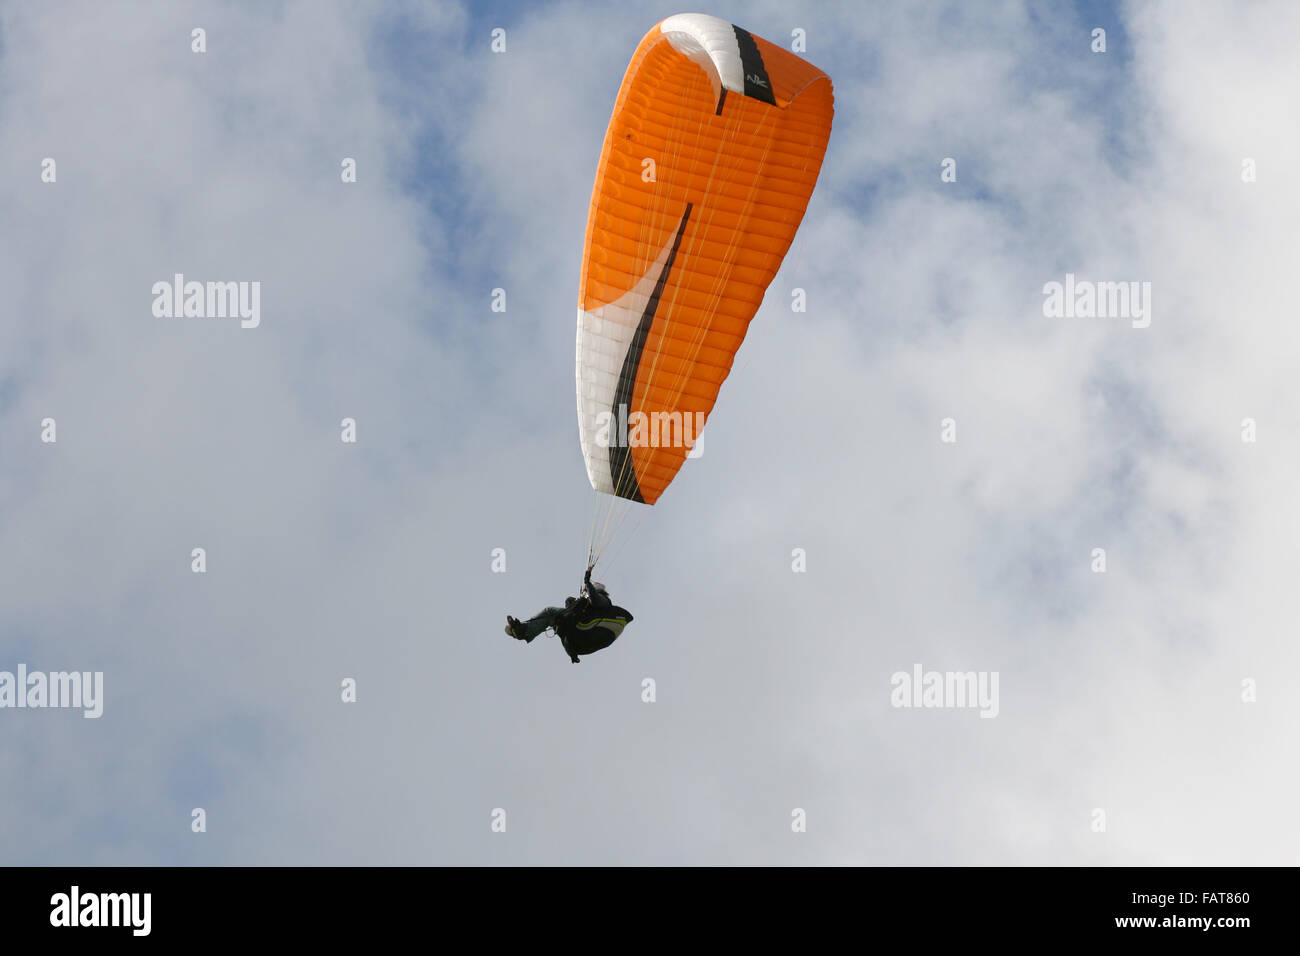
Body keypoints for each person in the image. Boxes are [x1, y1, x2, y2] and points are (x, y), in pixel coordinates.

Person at [505, 568, 633, 663]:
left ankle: (524, 630)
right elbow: (567, 640)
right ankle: (522, 630)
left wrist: (587, 583)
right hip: (586, 639)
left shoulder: (603, 602)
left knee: (550, 612)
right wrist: (573, 655)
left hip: (586, 636)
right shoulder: (591, 612)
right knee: (558, 618)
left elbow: (594, 598)